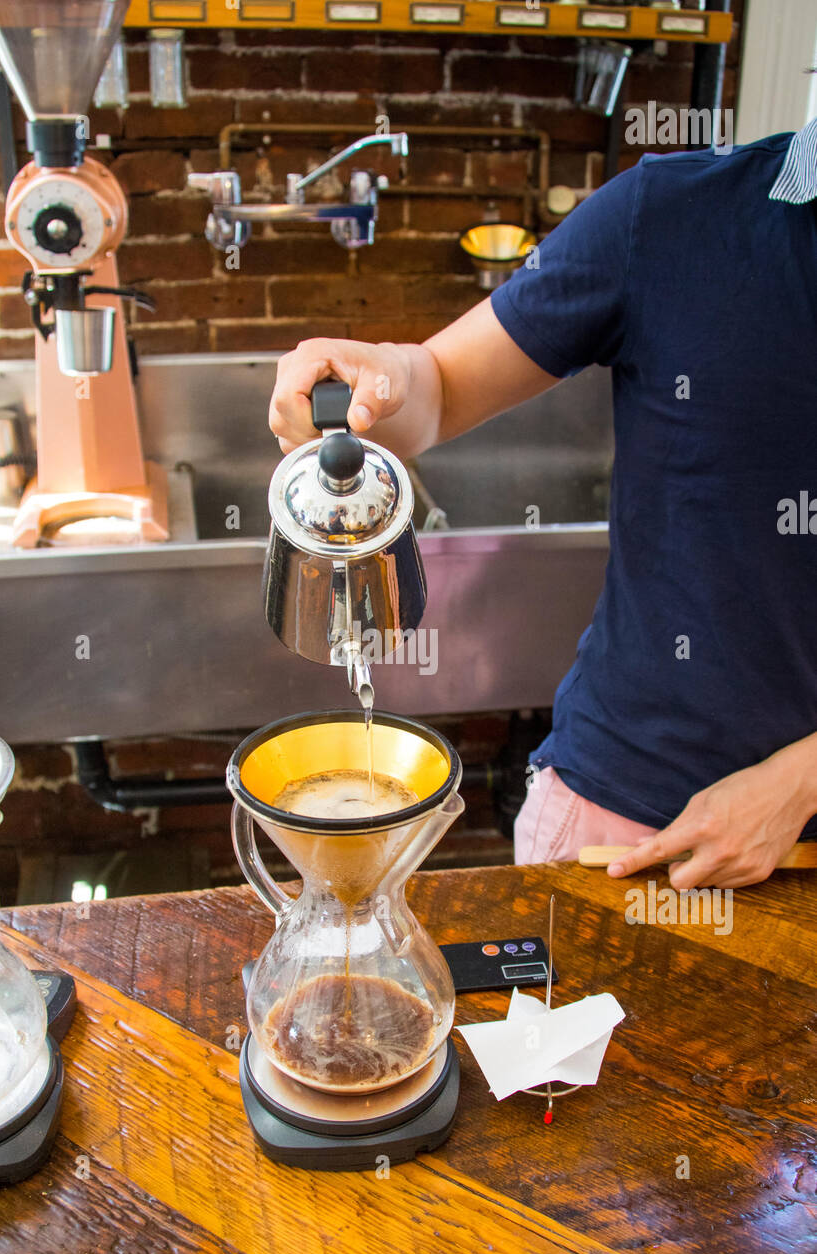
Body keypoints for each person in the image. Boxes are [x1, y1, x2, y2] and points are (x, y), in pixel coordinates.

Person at [269, 118, 817, 891]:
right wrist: (379, 378)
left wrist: (800, 782)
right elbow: (443, 387)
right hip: (632, 833)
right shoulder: (670, 212)